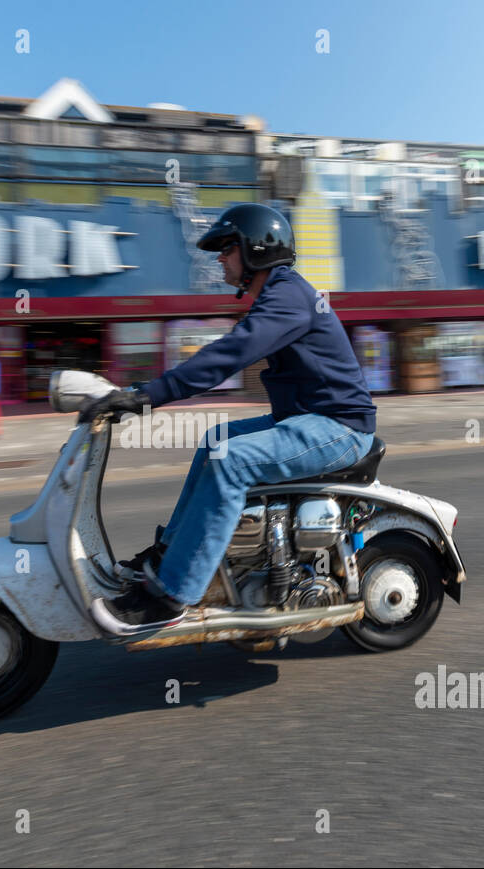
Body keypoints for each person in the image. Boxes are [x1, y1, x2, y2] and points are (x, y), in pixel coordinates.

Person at [81, 203, 378, 636]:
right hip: (309, 420)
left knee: (231, 460)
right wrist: (138, 396)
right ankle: (168, 555)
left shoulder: (289, 296)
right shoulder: (280, 294)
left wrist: (147, 396)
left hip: (339, 428)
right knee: (216, 439)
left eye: (227, 247)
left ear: (256, 249)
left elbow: (230, 354)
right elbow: (232, 351)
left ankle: (173, 596)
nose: (220, 257)